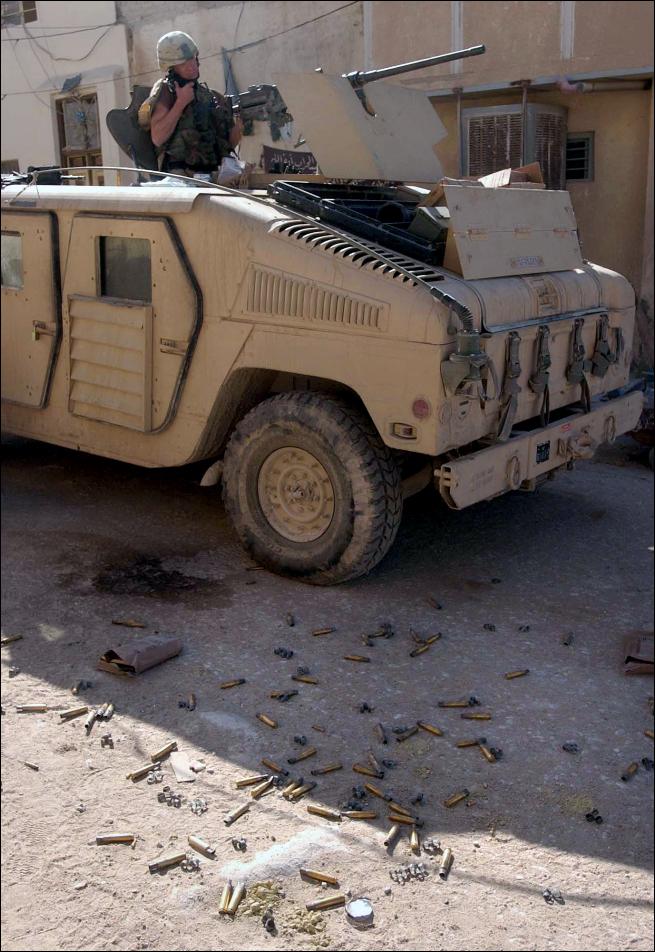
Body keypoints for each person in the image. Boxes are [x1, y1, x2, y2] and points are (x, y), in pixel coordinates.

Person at [138, 31, 242, 177]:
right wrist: (180, 103)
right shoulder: (167, 91)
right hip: (179, 179)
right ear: (172, 67)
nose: (191, 66)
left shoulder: (211, 97)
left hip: (213, 175)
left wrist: (240, 125)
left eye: (192, 59)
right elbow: (158, 137)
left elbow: (228, 144)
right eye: (183, 63)